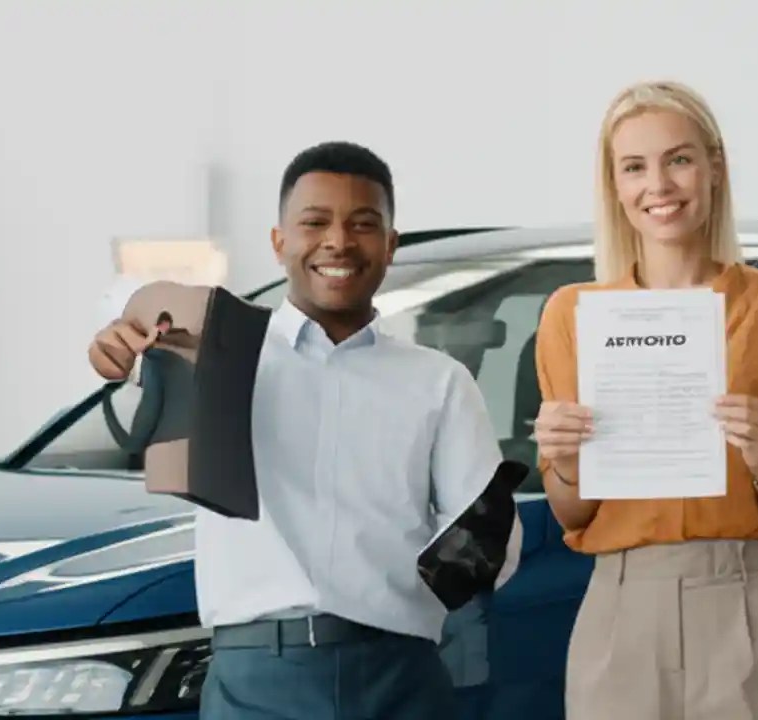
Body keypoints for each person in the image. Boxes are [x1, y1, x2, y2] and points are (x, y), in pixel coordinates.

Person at [88, 141, 518, 719]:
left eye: (363, 224)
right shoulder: (216, 355)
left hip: (399, 676)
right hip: (258, 678)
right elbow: (131, 340)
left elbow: (492, 548)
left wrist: (461, 560)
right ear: (279, 241)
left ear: (390, 244)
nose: (338, 241)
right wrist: (119, 348)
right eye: (314, 222)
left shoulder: (438, 382)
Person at [531, 80, 758, 719]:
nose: (658, 186)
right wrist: (566, 459)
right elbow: (571, 512)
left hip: (746, 600)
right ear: (614, 186)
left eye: (679, 159)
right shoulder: (571, 315)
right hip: (620, 609)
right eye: (634, 167)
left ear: (714, 166)